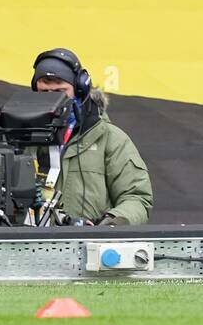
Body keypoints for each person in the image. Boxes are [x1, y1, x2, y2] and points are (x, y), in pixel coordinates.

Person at [28, 48, 152, 226]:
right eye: (44, 92)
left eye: (60, 91)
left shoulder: (111, 139)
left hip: (88, 247)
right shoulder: (21, 138)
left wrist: (109, 224)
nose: (52, 100)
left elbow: (137, 198)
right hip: (26, 247)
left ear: (80, 89)